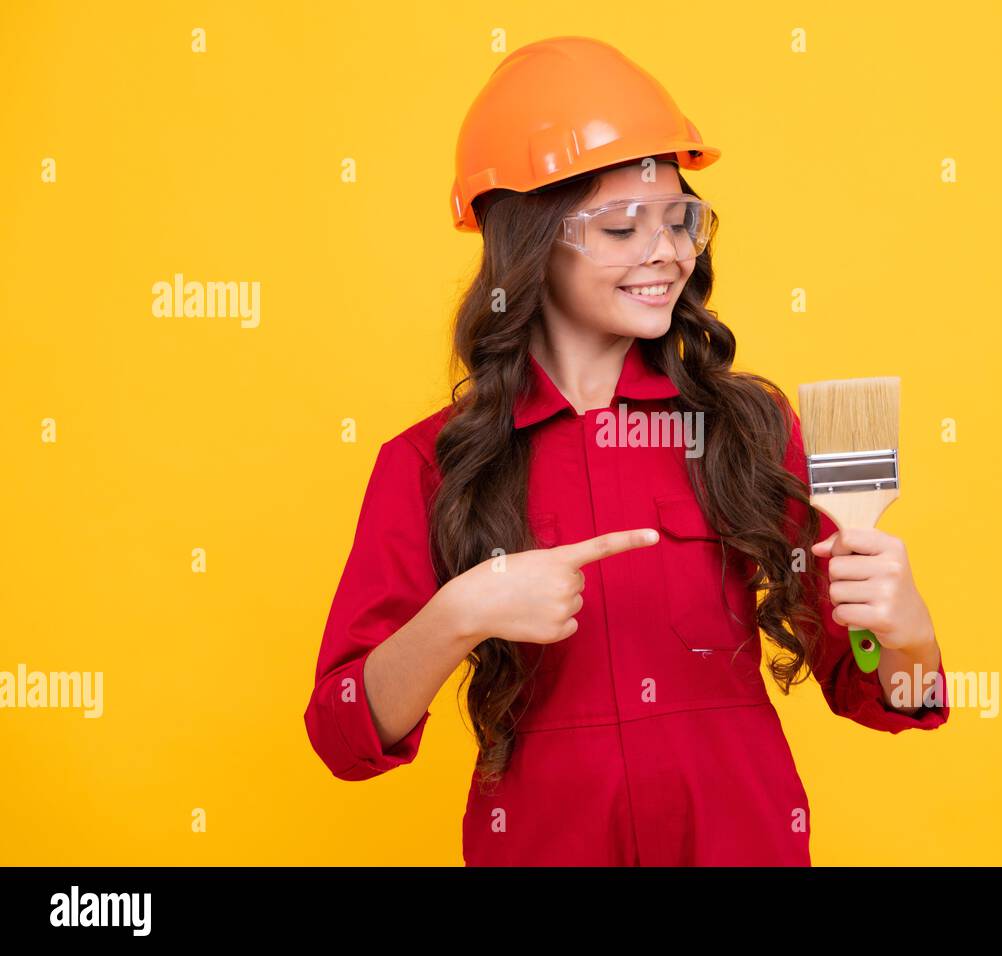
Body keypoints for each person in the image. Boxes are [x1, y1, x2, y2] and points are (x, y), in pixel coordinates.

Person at [304, 35, 949, 866]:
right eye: (622, 226)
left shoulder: (751, 429)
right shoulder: (429, 465)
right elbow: (344, 734)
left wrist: (912, 641)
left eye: (682, 218)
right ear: (529, 246)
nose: (669, 251)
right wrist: (460, 612)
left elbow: (886, 693)